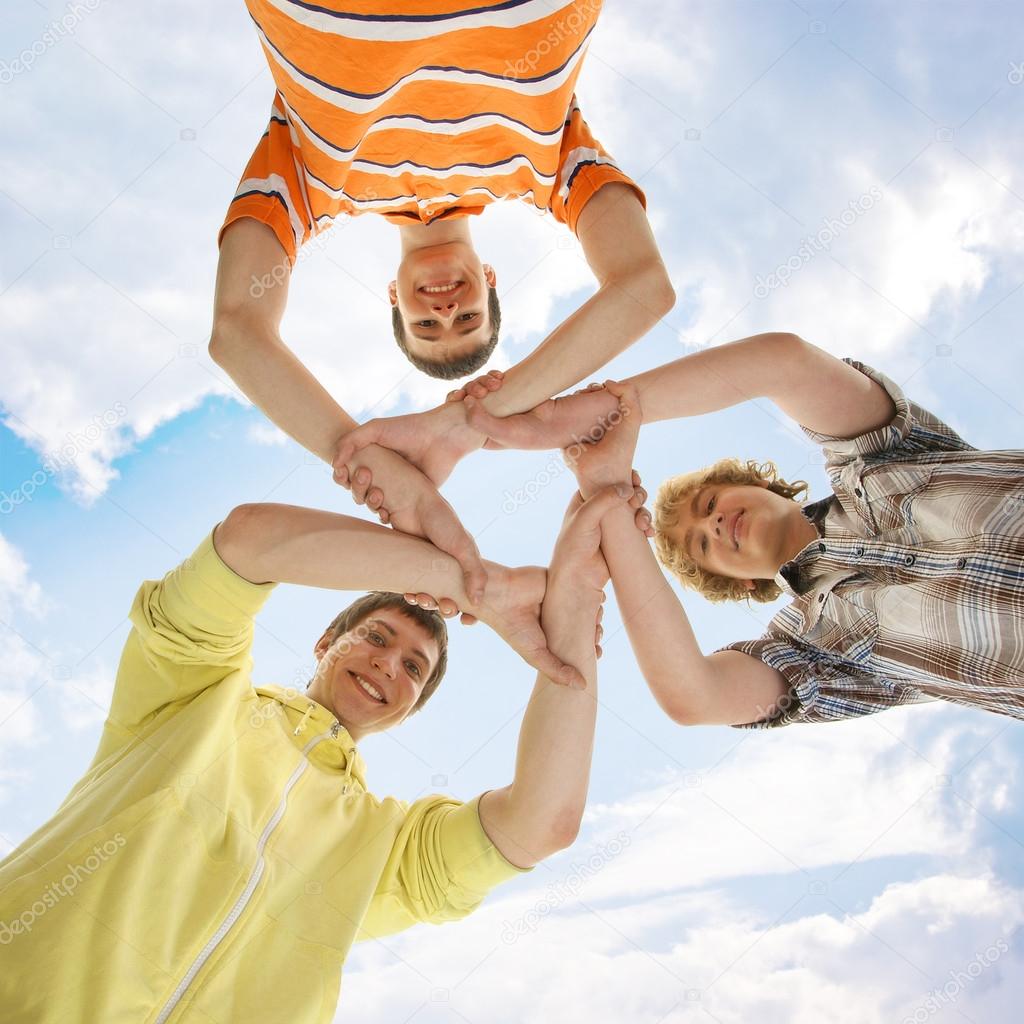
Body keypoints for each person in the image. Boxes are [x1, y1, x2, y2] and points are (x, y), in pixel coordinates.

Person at [0, 488, 628, 1022]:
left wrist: (572, 612)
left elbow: (542, 823)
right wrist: (475, 587)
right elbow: (247, 541)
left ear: (411, 706)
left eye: (414, 666)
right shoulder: (195, 690)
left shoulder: (387, 844)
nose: (388, 661)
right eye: (376, 637)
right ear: (327, 641)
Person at [210, 0, 674, 603]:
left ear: (393, 296)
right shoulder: (550, 166)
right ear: (489, 277)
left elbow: (237, 333)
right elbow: (643, 287)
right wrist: (470, 421)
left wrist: (381, 472)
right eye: (469, 317)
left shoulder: (304, 185)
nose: (446, 309)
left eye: (426, 324)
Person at [457, 332, 1024, 727]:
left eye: (710, 502)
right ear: (743, 583)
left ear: (762, 487)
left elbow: (784, 361)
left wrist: (595, 413)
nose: (714, 522)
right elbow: (694, 697)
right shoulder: (817, 647)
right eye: (704, 544)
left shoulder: (878, 461)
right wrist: (607, 501)